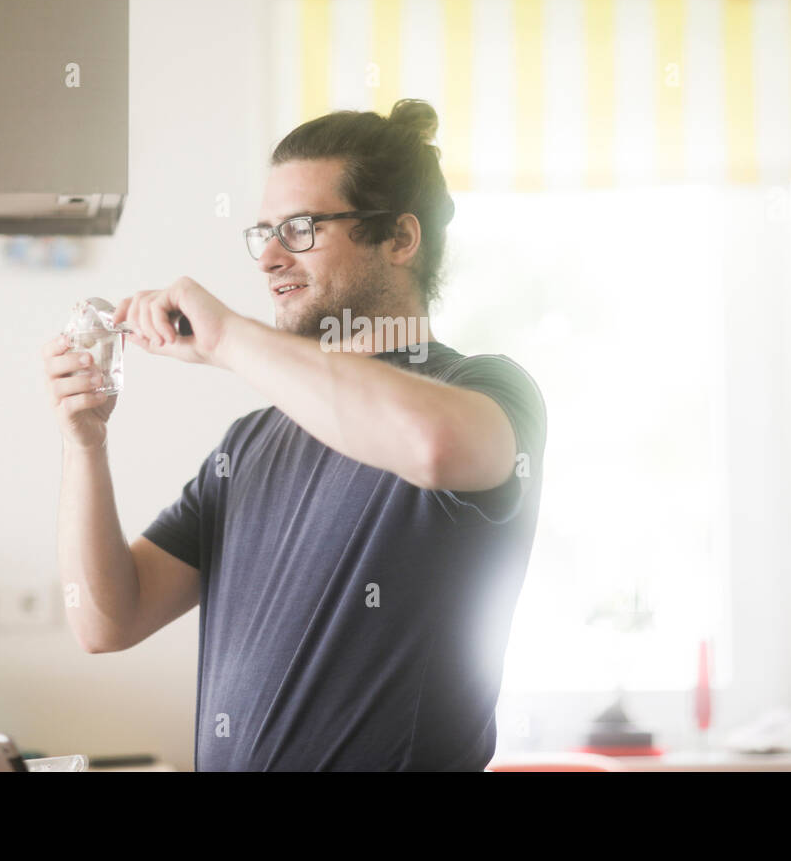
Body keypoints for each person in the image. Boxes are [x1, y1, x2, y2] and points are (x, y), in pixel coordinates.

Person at [43, 99, 546, 770]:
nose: (270, 258)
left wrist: (224, 338)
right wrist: (85, 444)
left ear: (400, 238)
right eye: (264, 233)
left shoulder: (485, 392)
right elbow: (105, 621)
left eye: (302, 229)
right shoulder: (249, 444)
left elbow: (435, 447)